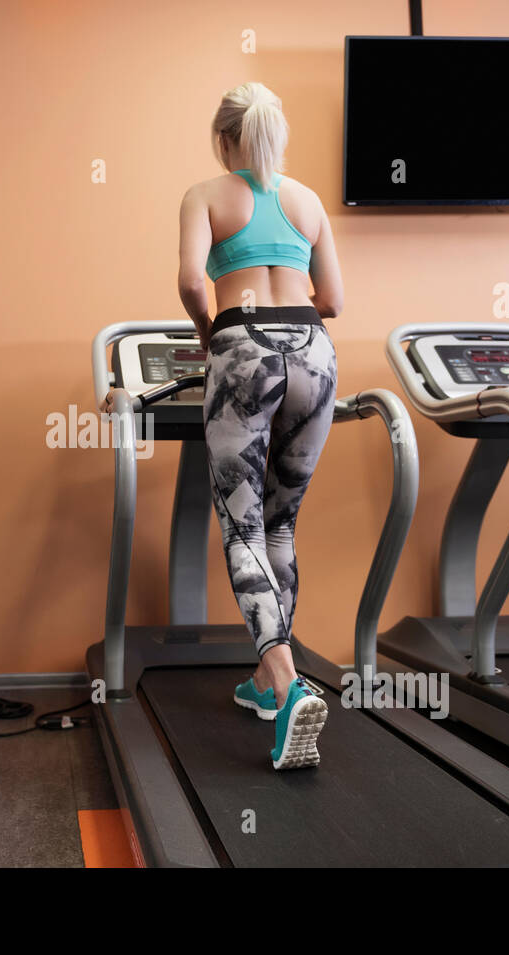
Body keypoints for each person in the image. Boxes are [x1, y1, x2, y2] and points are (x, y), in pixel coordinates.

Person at [177, 82, 344, 770]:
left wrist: (207, 332)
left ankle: (283, 677)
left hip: (242, 345)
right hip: (314, 353)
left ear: (224, 139)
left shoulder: (206, 194)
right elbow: (332, 298)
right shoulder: (307, 202)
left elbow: (192, 280)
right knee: (279, 524)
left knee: (242, 526)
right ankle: (269, 680)